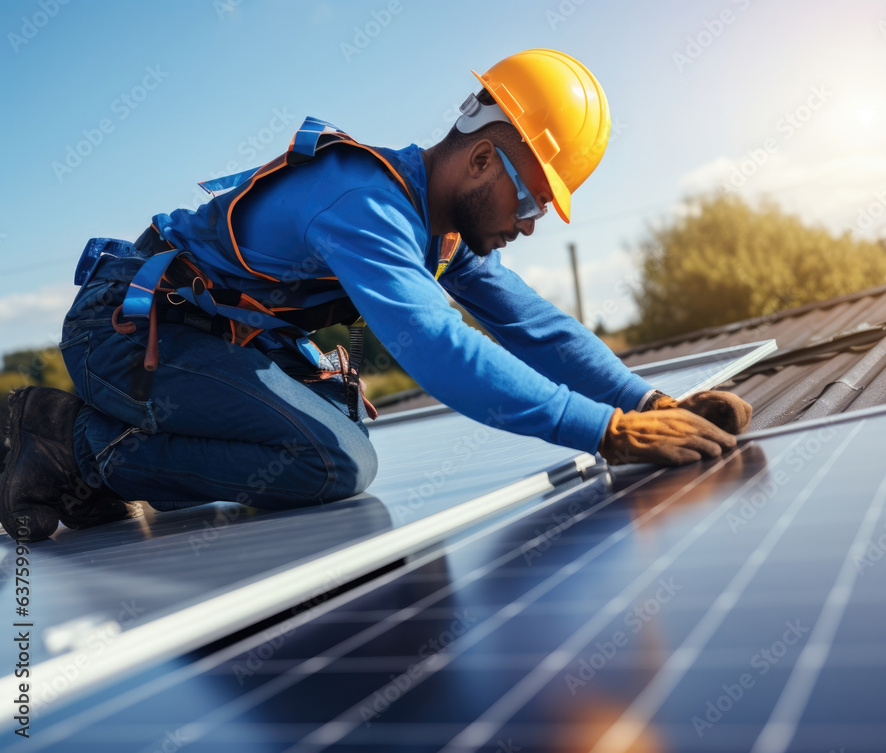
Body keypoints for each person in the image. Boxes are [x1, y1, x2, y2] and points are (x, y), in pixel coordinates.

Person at [0, 49, 751, 543]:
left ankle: (103, 442)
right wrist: (604, 431)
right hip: (126, 332)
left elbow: (534, 327)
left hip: (196, 340)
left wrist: (648, 403)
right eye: (528, 202)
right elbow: (436, 345)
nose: (528, 225)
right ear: (484, 158)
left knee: (332, 423)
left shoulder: (436, 225)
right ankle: (71, 444)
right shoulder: (364, 203)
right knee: (333, 462)